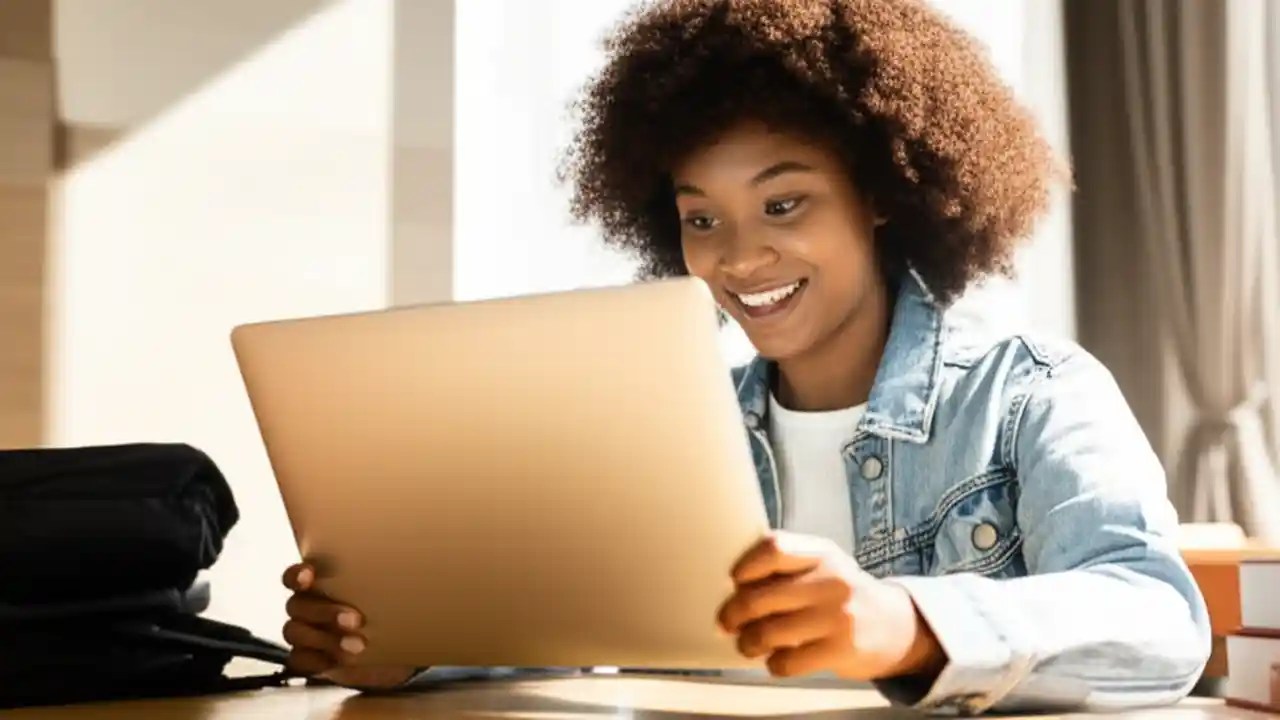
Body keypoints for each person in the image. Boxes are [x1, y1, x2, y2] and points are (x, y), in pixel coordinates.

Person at [278, 0, 1211, 713]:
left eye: (784, 203)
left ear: (881, 194)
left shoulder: (1032, 395)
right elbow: (575, 621)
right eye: (700, 218)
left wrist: (908, 628)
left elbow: (1160, 622)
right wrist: (404, 646)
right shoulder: (681, 426)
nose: (738, 256)